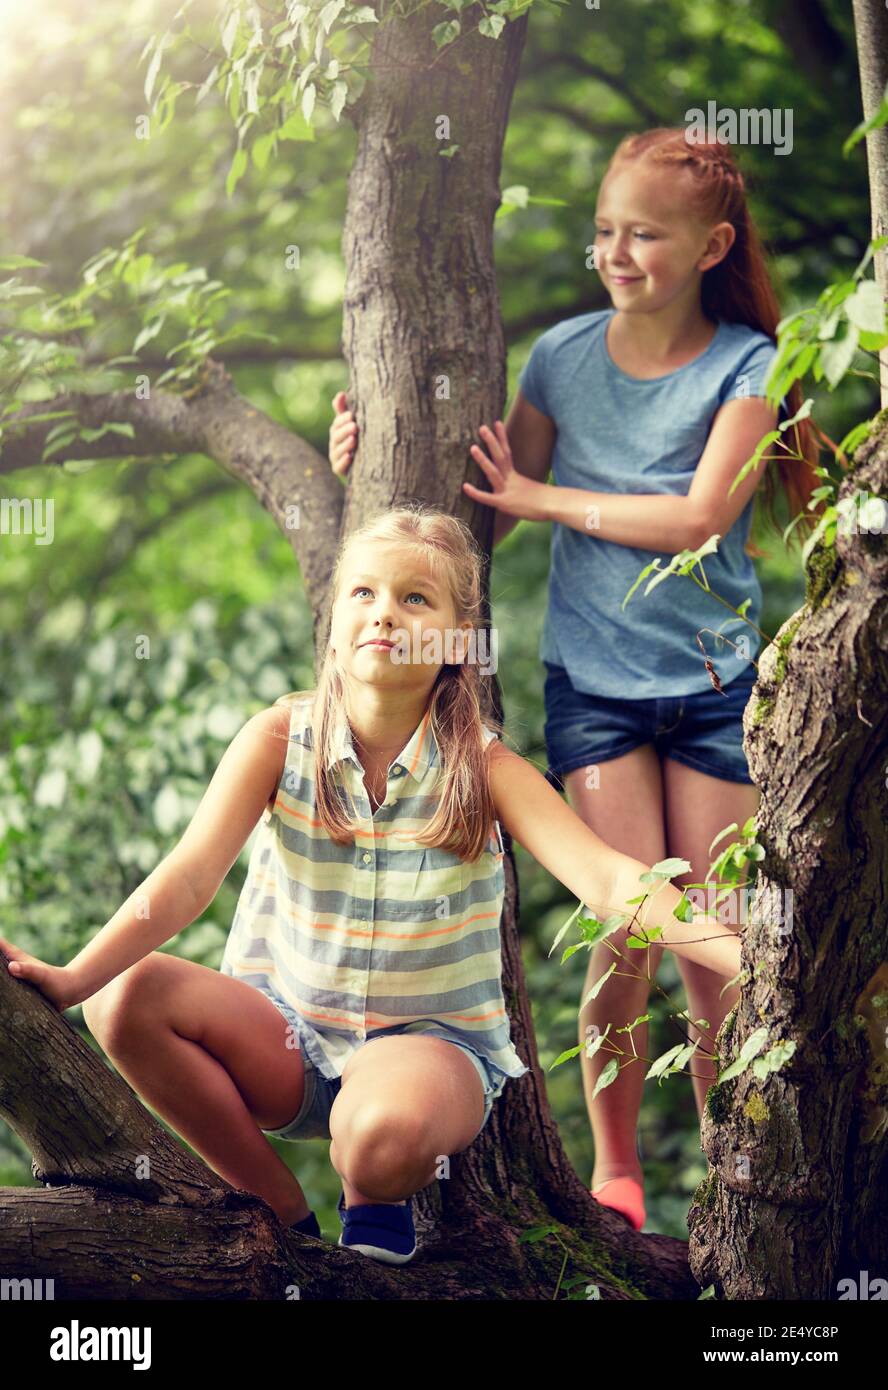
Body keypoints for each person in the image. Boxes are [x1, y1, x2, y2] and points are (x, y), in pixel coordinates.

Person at [1, 505, 743, 1263]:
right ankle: (278, 1215)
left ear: (459, 638)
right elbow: (188, 878)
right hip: (283, 1037)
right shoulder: (277, 738)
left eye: (415, 598)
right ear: (333, 620)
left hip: (424, 1051)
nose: (385, 612)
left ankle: (371, 1205)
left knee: (375, 1138)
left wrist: (747, 958)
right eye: (364, 593)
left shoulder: (481, 767)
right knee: (122, 996)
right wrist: (71, 978)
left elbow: (612, 879)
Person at [326, 130, 819, 1233]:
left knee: (716, 942)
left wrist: (546, 502)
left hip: (711, 679)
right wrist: (363, 451)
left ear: (712, 246)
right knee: (632, 915)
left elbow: (699, 516)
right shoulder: (560, 357)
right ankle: (617, 1172)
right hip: (596, 681)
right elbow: (475, 491)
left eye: (645, 233)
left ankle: (735, 1178)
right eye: (606, 230)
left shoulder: (746, 362)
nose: (617, 251)